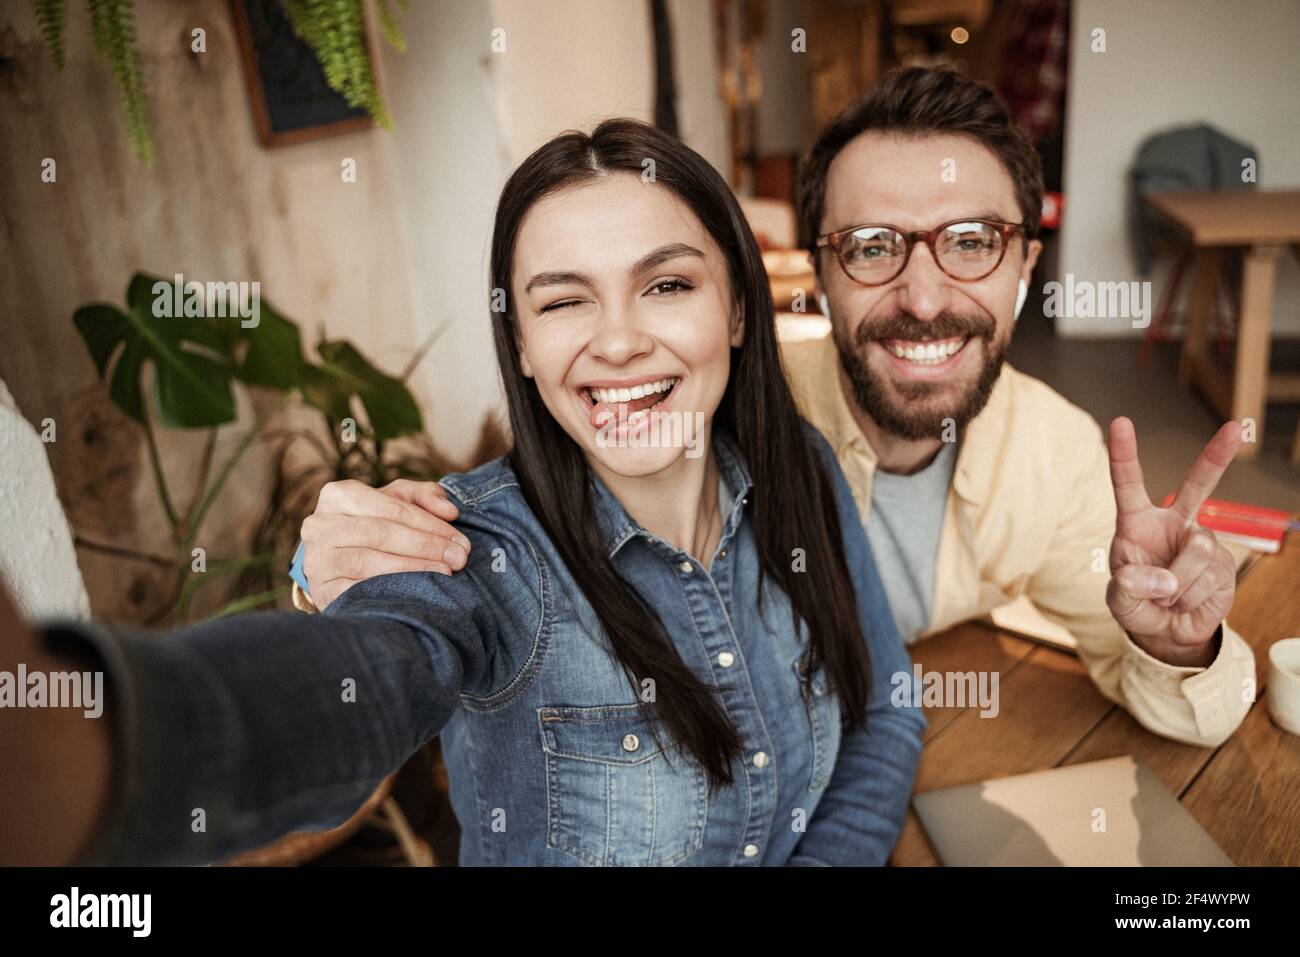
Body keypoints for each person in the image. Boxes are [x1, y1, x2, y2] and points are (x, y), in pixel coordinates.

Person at [0, 119, 923, 868]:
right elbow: (354, 683)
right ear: (522, 344)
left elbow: (885, 706)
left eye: (667, 284)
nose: (617, 340)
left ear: (735, 310)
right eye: (563, 301)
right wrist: (85, 744)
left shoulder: (798, 466)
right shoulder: (481, 553)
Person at [297, 68, 1252, 749]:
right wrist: (332, 577)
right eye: (873, 246)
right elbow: (516, 547)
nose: (924, 297)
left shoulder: (1058, 453)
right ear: (816, 277)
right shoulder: (701, 409)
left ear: (1026, 265)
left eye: (971, 240)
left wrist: (1180, 642)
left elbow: (1171, 700)